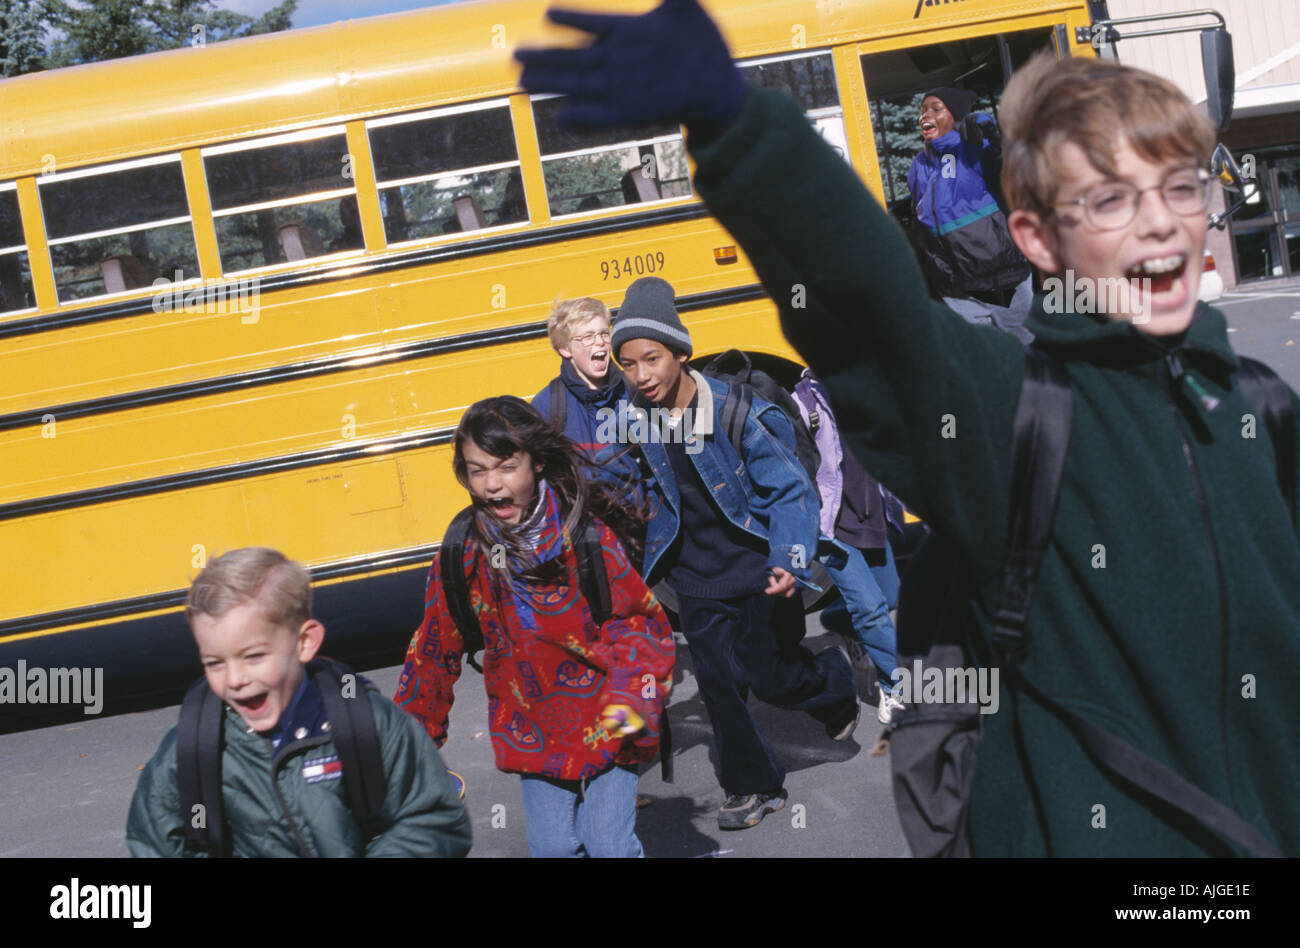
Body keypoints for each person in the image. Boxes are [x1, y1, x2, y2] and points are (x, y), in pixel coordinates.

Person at [515, 0, 1300, 856]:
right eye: (1110, 197)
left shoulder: (1257, 405)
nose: (1160, 221)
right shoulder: (1014, 409)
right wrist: (737, 124)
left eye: (1180, 186)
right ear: (1034, 237)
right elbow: (876, 315)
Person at [610, 275, 860, 831]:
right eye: (627, 364)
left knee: (773, 678)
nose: (641, 375)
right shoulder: (633, 418)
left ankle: (833, 684)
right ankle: (752, 785)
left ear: (679, 352)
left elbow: (790, 489)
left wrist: (791, 558)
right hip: (695, 579)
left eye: (651, 358)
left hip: (758, 570)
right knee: (720, 686)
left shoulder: (735, 410)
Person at [394, 396, 674, 858]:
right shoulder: (464, 550)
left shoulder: (584, 537)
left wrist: (631, 697)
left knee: (610, 847)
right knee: (553, 850)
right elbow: (432, 649)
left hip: (610, 717)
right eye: (476, 470)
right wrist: (410, 742)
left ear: (538, 461)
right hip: (532, 728)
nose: (491, 484)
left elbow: (641, 625)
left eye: (505, 467)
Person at [126, 547, 472, 857]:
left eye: (254, 656)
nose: (234, 680)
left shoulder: (366, 723)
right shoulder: (193, 747)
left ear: (305, 642)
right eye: (215, 663)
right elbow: (154, 842)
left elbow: (435, 818)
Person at [792, 370, 904, 724]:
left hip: (872, 517)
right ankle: (895, 688)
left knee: (890, 597)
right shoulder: (804, 404)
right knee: (871, 611)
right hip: (832, 527)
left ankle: (836, 619)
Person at [909, 87, 1034, 342]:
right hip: (955, 285)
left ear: (955, 115)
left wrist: (988, 132)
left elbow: (1006, 165)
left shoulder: (974, 149)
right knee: (981, 356)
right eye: (922, 110)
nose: (925, 116)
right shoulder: (919, 165)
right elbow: (919, 215)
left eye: (935, 109)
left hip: (1001, 277)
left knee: (1024, 351)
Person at [532, 295, 647, 506]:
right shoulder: (548, 405)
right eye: (587, 336)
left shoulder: (634, 390)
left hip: (637, 520)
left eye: (604, 333)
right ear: (565, 349)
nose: (600, 342)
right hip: (584, 527)